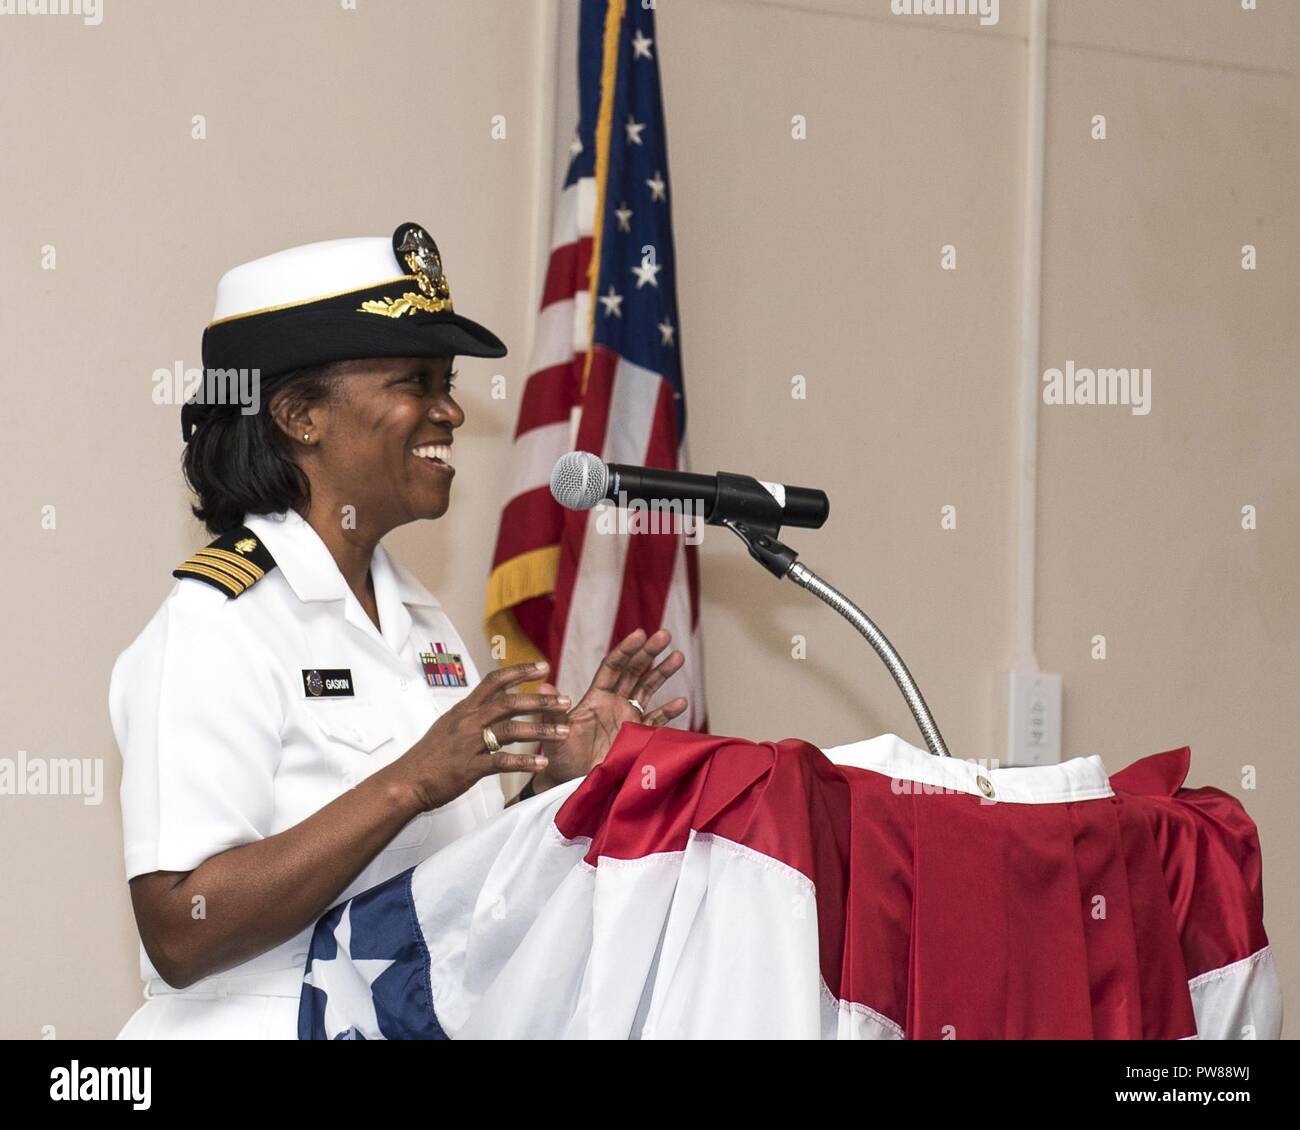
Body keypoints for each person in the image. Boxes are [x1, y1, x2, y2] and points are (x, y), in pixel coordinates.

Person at [110, 222, 689, 1038]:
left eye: (446, 379)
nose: (449, 409)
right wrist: (411, 779)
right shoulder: (217, 624)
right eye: (416, 380)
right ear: (300, 414)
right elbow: (178, 928)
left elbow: (451, 879)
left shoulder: (423, 623)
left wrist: (556, 784)